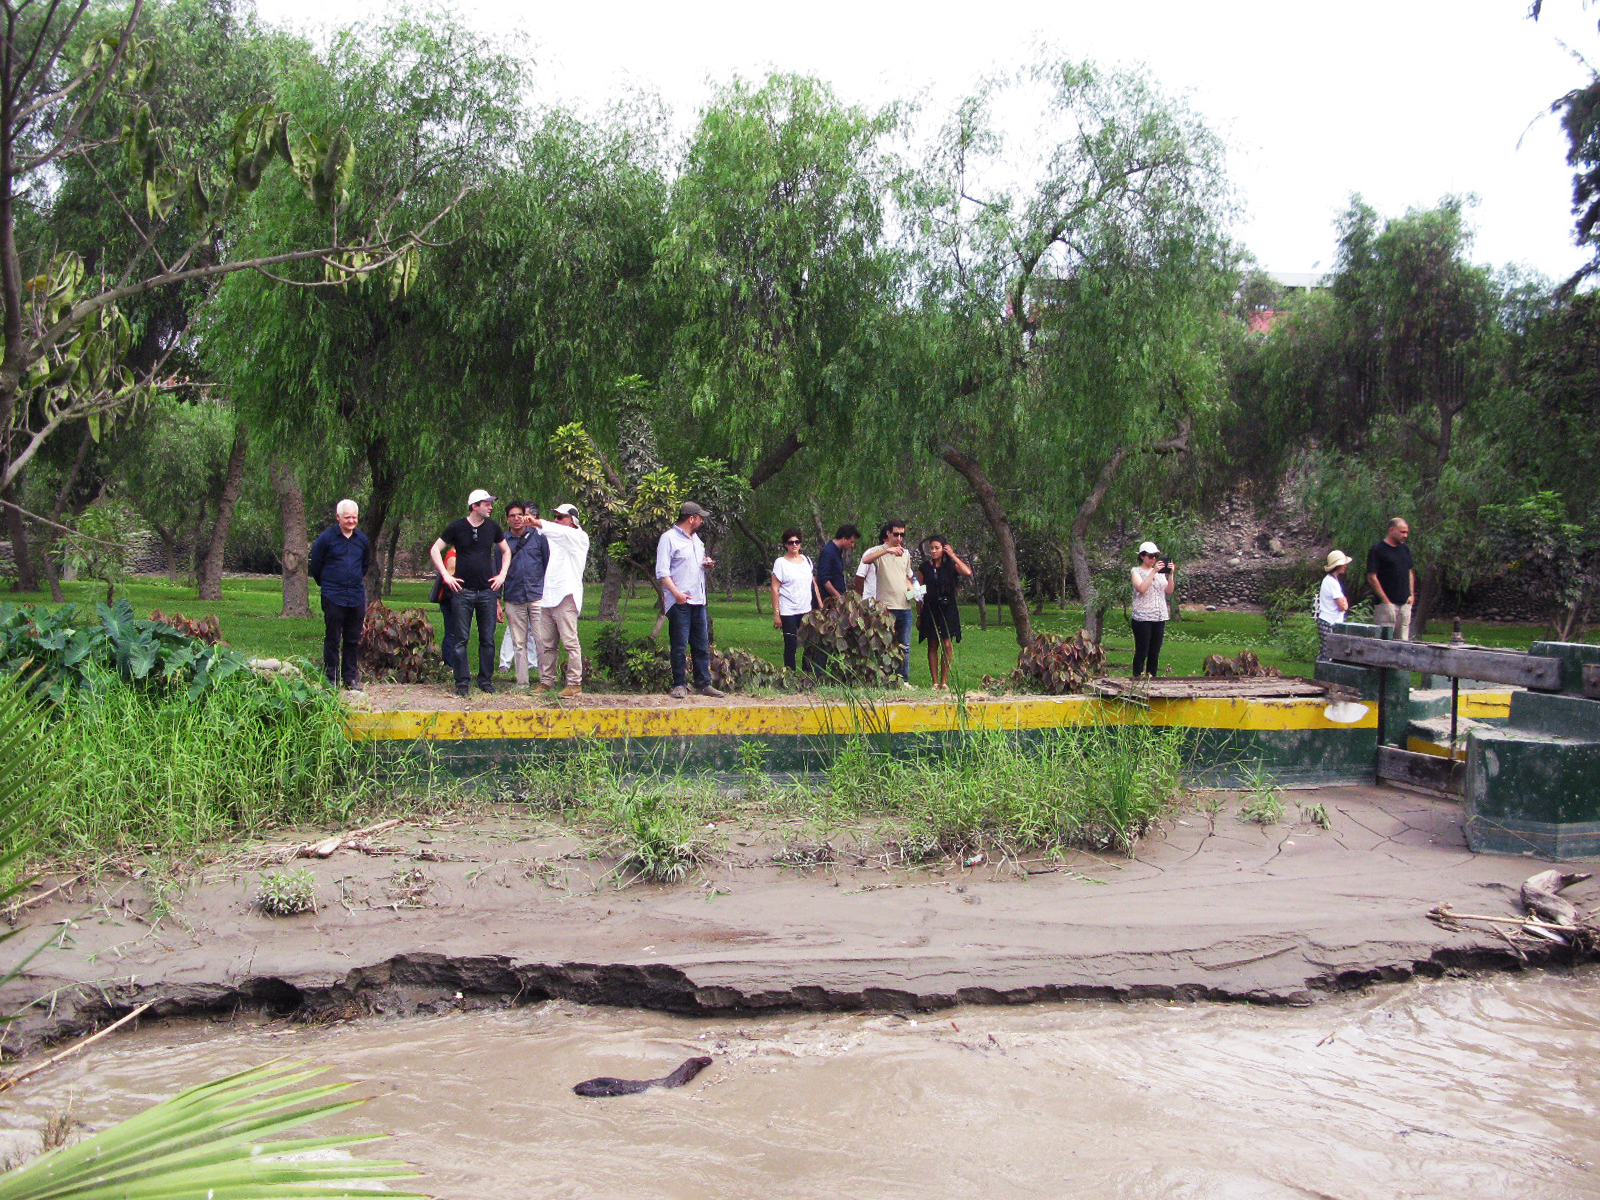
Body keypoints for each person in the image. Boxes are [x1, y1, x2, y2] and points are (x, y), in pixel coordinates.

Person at [430, 489, 510, 697]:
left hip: (487, 592)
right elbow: (435, 549)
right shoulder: (456, 527)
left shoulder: (493, 527)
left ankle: (485, 681)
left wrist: (502, 575)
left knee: (487, 639)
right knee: (460, 639)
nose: (490, 507)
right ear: (475, 506)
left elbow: (506, 551)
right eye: (486, 504)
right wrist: (446, 576)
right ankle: (462, 682)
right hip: (462, 592)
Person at [657, 501, 727, 699]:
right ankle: (679, 684)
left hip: (698, 600)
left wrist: (706, 564)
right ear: (691, 518)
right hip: (680, 602)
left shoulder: (696, 540)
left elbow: (693, 565)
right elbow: (662, 572)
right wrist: (677, 594)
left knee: (701, 645)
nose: (702, 521)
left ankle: (703, 683)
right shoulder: (668, 539)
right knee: (679, 645)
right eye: (700, 518)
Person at [307, 498, 371, 691]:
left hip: (356, 596)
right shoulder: (326, 539)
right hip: (333, 595)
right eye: (347, 517)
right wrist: (328, 584)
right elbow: (315, 566)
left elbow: (364, 565)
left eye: (354, 517)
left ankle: (350, 679)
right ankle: (331, 678)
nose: (351, 521)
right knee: (333, 638)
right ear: (338, 517)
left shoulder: (362, 540)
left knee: (352, 639)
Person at [527, 503, 590, 697]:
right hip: (549, 595)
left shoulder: (579, 536)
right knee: (547, 644)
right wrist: (529, 520)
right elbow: (548, 531)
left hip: (566, 595)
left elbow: (555, 530)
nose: (556, 520)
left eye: (560, 517)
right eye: (554, 517)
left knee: (570, 642)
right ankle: (546, 681)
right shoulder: (556, 535)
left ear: (572, 519)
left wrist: (537, 522)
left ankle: (574, 683)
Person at [860, 519, 916, 686]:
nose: (899, 538)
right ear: (888, 533)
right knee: (884, 645)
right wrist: (887, 551)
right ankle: (883, 679)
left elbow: (906, 577)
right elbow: (865, 559)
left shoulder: (905, 553)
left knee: (904, 646)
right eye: (896, 534)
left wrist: (915, 592)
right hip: (885, 607)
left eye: (902, 535)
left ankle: (903, 681)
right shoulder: (878, 551)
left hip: (904, 606)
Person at [499, 501, 547, 689]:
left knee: (542, 640)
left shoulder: (538, 538)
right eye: (512, 516)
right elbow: (498, 571)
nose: (516, 519)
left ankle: (546, 680)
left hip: (537, 595)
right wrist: (497, 600)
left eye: (519, 514)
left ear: (525, 516)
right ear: (507, 519)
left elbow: (547, 565)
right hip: (514, 596)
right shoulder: (502, 542)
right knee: (519, 643)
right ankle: (522, 682)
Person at [917, 535, 972, 690]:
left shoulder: (950, 566)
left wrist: (952, 555)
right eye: (931, 548)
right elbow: (918, 591)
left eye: (937, 548)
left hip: (948, 609)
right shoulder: (924, 567)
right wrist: (919, 614)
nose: (934, 551)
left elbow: (967, 572)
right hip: (930, 608)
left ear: (944, 548)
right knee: (933, 643)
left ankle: (944, 681)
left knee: (947, 644)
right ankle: (935, 681)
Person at [770, 527, 824, 673]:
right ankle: (790, 674)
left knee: (810, 643)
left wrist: (820, 604)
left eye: (797, 542)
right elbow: (775, 588)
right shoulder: (780, 563)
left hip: (806, 609)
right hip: (788, 610)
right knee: (791, 644)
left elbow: (813, 583)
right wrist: (777, 614)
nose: (794, 545)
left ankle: (807, 673)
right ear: (785, 545)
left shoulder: (806, 560)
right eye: (791, 542)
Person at [1130, 540, 1175, 678]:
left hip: (1159, 616)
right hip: (1143, 617)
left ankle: (1152, 678)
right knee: (1142, 650)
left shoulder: (1160, 573)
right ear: (1142, 556)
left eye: (1155, 556)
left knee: (1154, 652)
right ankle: (1137, 677)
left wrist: (1171, 574)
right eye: (1150, 556)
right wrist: (1153, 572)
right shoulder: (1136, 571)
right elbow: (1142, 588)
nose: (1153, 559)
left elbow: (1169, 590)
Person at [1365, 517, 1415, 641]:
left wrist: (1411, 595)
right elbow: (1372, 577)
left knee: (1403, 642)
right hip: (1386, 606)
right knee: (1384, 641)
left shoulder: (1405, 549)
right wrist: (1385, 601)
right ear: (1391, 530)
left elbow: (1409, 571)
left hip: (1404, 604)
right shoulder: (1377, 550)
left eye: (1406, 532)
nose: (1405, 535)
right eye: (1402, 532)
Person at [1317, 550, 1352, 657]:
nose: (1345, 566)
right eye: (1343, 564)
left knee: (1329, 651)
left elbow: (1343, 600)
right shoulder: (1331, 582)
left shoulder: (1332, 581)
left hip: (1330, 620)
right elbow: (1342, 606)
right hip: (1329, 621)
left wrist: (1344, 601)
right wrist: (1345, 603)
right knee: (1328, 653)